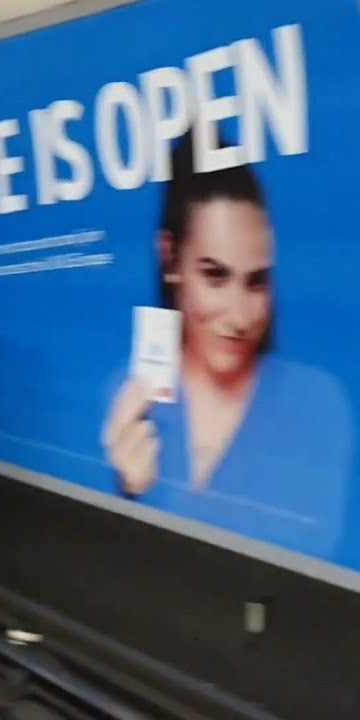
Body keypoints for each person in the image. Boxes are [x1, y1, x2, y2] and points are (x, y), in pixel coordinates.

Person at [99, 131, 352, 557]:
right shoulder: (126, 391)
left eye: (256, 281)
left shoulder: (318, 406)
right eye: (214, 275)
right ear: (169, 259)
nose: (239, 316)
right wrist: (127, 492)